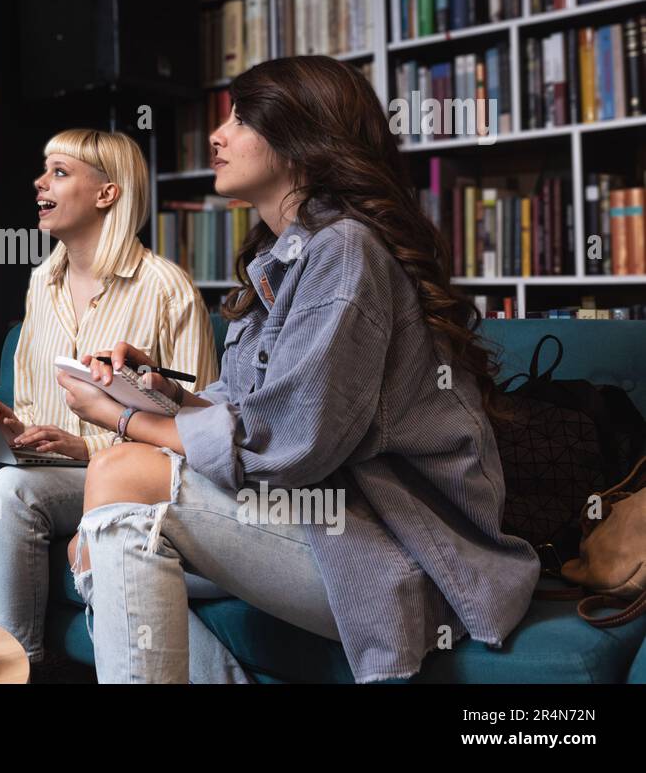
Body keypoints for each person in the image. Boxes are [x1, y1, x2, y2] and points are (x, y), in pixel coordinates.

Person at [60, 56, 540, 683]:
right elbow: (252, 413)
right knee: (100, 535)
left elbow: (289, 448)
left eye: (241, 118)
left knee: (117, 475)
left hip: (396, 552)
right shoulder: (280, 255)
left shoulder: (344, 249)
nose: (218, 135)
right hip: (312, 516)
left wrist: (123, 419)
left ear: (302, 139)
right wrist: (157, 391)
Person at [0, 128, 219, 675]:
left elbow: (202, 425)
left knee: (8, 492)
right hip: (38, 459)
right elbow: (29, 395)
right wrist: (9, 427)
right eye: (45, 171)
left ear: (107, 194)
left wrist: (86, 444)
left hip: (115, 471)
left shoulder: (168, 288)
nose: (39, 182)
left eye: (60, 172)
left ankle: (15, 666)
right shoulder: (40, 281)